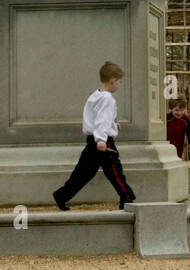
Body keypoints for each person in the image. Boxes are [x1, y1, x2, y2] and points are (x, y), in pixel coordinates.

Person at [53, 61, 136, 211]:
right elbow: (102, 120)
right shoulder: (107, 99)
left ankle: (62, 194)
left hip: (93, 140)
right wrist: (102, 139)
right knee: (115, 171)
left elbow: (95, 118)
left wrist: (112, 124)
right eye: (119, 82)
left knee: (83, 173)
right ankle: (127, 196)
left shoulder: (95, 95)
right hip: (103, 142)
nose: (119, 85)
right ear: (113, 80)